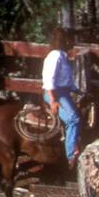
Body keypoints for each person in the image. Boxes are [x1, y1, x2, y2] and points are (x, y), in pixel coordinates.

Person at [42, 28, 81, 167]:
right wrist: (53, 100)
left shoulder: (63, 56)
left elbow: (67, 82)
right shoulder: (55, 56)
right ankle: (71, 153)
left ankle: (74, 141)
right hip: (55, 93)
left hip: (63, 92)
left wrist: (79, 91)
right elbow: (49, 80)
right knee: (73, 119)